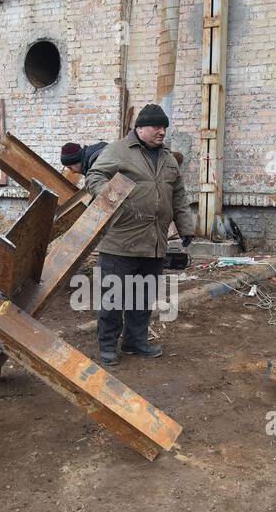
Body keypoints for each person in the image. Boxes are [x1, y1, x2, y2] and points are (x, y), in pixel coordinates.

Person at [84, 104, 195, 366]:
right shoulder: (119, 150)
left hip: (154, 241)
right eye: (157, 126)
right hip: (120, 240)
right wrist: (113, 199)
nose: (162, 131)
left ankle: (135, 341)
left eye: (164, 127)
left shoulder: (168, 158)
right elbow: (94, 176)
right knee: (113, 297)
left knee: (143, 296)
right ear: (140, 128)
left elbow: (178, 195)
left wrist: (186, 227)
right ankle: (108, 345)